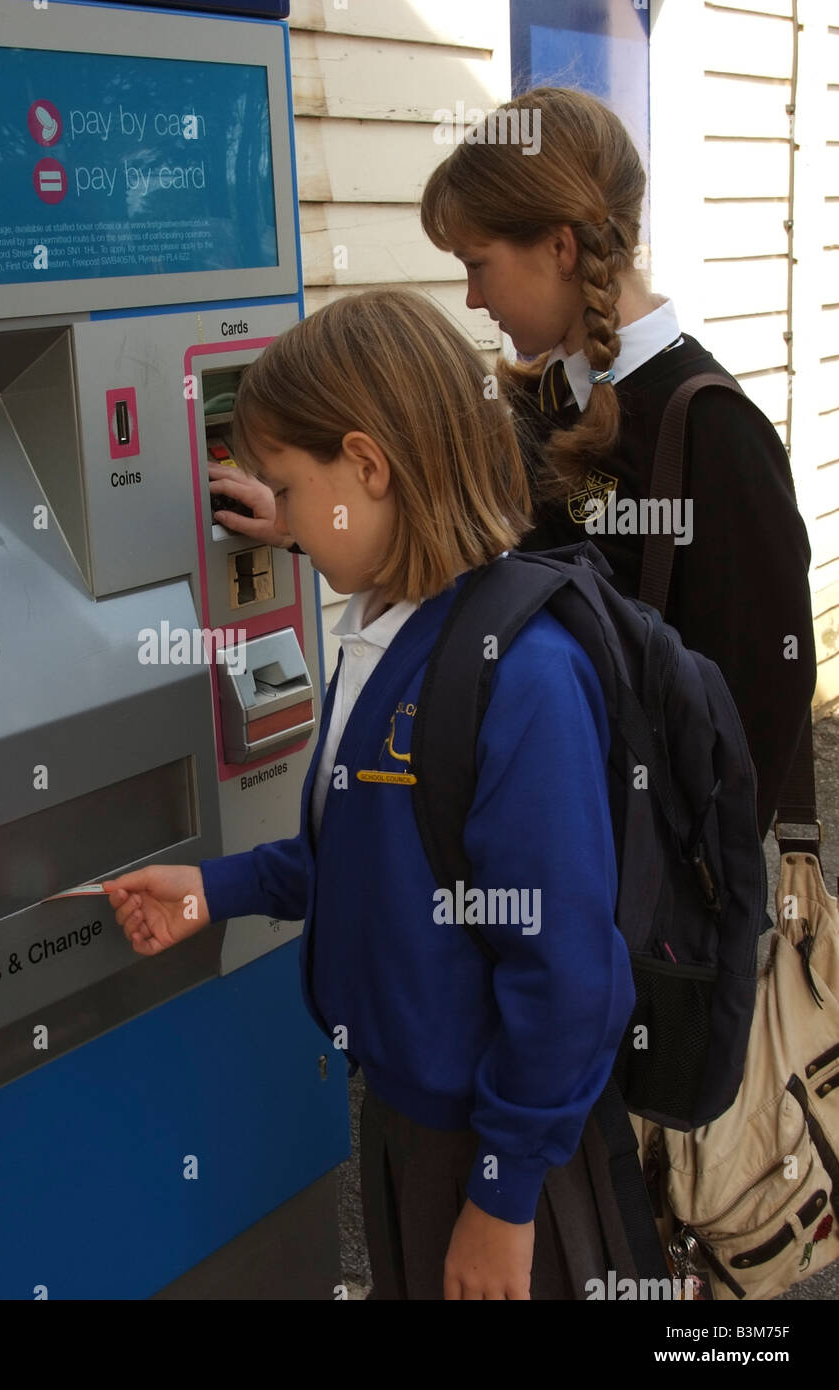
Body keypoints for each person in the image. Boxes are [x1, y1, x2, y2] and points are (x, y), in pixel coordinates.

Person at [105, 287, 636, 1299]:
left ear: (368, 466)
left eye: (288, 490)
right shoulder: (385, 625)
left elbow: (568, 973)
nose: (284, 524)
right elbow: (384, 854)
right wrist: (218, 889)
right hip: (407, 1115)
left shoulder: (519, 676)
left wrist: (502, 1196)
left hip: (484, 1149)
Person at [211, 86, 815, 842]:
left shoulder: (710, 429)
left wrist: (682, 899)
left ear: (559, 249)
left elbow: (766, 692)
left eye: (477, 263)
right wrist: (307, 516)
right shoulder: (540, 401)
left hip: (626, 894)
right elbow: (471, 545)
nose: (469, 297)